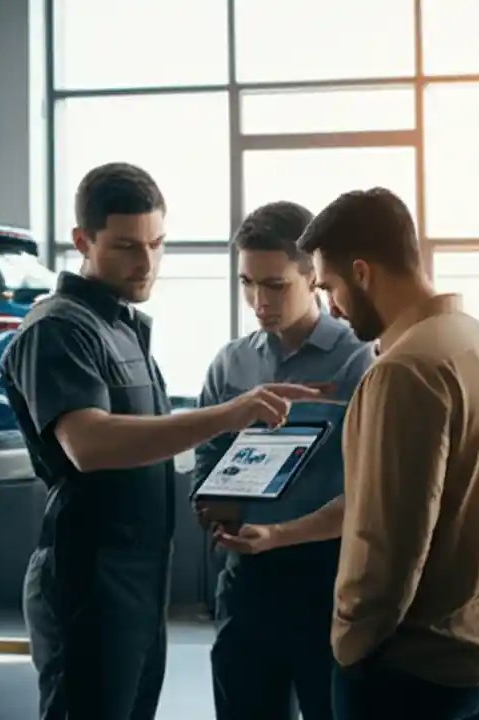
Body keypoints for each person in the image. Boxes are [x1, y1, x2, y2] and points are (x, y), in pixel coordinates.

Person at [0, 162, 322, 720]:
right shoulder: (58, 328)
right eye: (126, 246)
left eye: (156, 242)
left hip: (142, 579)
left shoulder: (122, 326)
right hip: (87, 578)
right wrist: (227, 414)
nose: (146, 263)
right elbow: (89, 444)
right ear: (82, 241)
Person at [296, 187, 479, 720]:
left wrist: (349, 645)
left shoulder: (404, 371)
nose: (331, 308)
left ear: (362, 272)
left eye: (328, 287)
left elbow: (387, 543)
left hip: (411, 670)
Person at [192, 201, 375, 720]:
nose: (258, 300)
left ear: (311, 276)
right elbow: (208, 451)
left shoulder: (359, 359)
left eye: (274, 285)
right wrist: (209, 503)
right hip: (246, 573)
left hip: (328, 573)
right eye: (247, 283)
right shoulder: (231, 362)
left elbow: (373, 475)